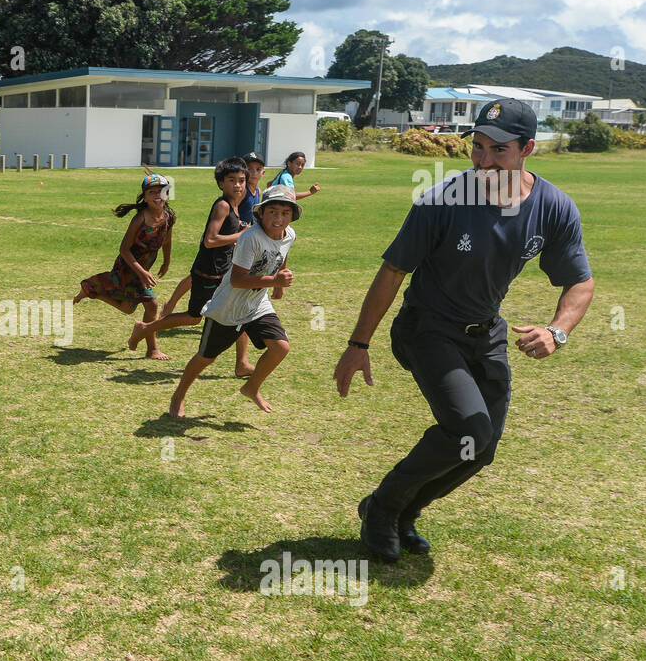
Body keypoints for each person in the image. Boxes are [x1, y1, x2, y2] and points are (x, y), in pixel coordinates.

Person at [333, 98, 594, 562]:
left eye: (498, 151)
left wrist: (558, 331)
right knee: (468, 428)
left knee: (481, 448)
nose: (484, 160)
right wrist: (358, 345)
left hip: (486, 333)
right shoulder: (441, 200)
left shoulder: (553, 206)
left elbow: (580, 281)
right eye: (477, 147)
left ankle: (403, 513)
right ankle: (381, 510)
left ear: (527, 149)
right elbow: (392, 272)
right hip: (426, 328)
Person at [168, 184, 297, 418]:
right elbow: (237, 280)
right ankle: (178, 395)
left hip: (257, 304)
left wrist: (279, 283)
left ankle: (251, 387)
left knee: (280, 347)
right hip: (228, 307)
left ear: (292, 216)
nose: (279, 218)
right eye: (273, 212)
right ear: (261, 213)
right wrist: (274, 280)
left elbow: (282, 251)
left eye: (285, 213)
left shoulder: (289, 234)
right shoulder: (250, 238)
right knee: (206, 358)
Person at [129, 158, 248, 358]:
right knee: (194, 317)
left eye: (241, 180)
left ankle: (242, 362)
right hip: (210, 273)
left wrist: (239, 231)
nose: (237, 184)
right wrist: (243, 235)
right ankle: (145, 329)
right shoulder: (223, 206)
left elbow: (225, 236)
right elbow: (210, 240)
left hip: (223, 269)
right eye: (232, 180)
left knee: (240, 311)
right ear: (221, 183)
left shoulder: (234, 205)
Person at [73, 174, 175, 360]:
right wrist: (142, 272)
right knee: (151, 304)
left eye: (161, 191)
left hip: (143, 268)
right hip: (129, 267)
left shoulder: (168, 217)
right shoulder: (139, 219)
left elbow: (167, 240)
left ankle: (91, 289)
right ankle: (152, 349)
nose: (157, 195)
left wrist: (166, 261)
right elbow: (124, 249)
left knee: (128, 308)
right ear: (144, 197)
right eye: (152, 192)